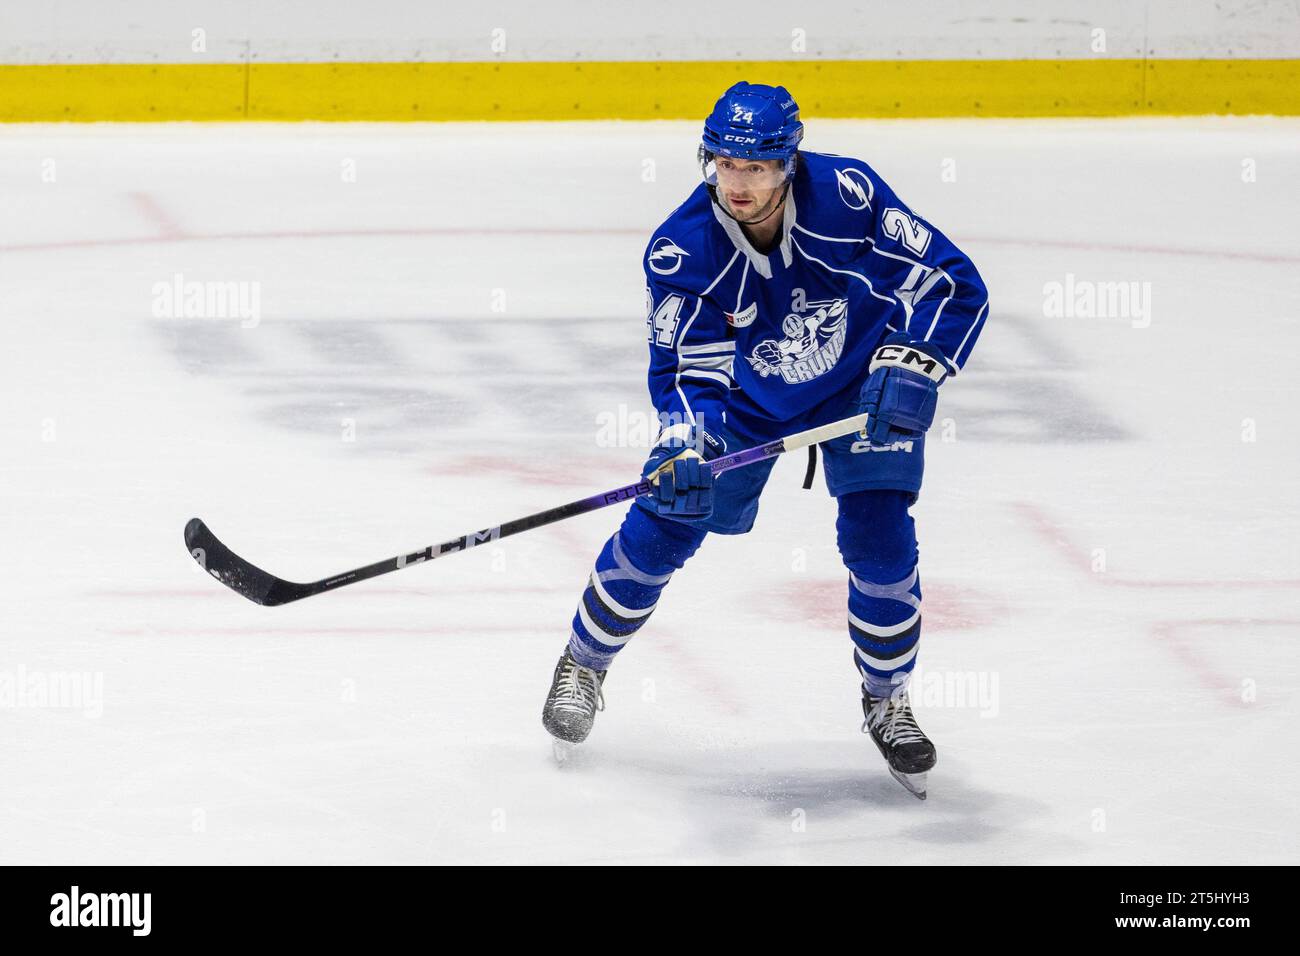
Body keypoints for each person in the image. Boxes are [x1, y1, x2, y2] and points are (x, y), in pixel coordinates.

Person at [541, 81, 989, 798]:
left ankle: (887, 698)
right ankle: (584, 661)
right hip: (746, 405)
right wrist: (685, 443)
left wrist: (914, 364)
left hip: (862, 384)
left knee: (880, 540)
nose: (736, 182)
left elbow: (950, 283)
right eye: (723, 163)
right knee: (665, 518)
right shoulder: (681, 250)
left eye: (754, 167)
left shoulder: (848, 197)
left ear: (788, 164)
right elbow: (688, 369)